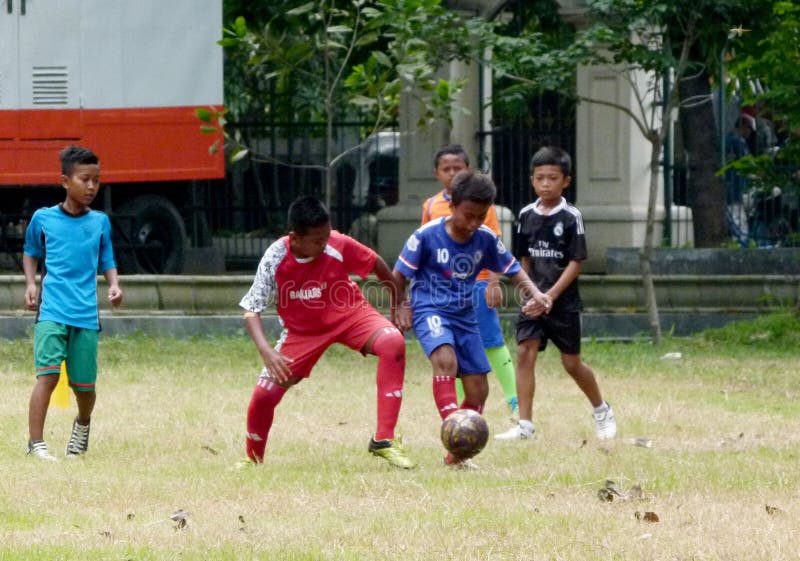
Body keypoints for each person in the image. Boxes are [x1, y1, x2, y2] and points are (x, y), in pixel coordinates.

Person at [239, 196, 414, 469]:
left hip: (350, 313)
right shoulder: (275, 257)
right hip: (302, 332)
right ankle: (252, 460)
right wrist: (267, 351)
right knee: (264, 395)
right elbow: (251, 309)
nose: (325, 243)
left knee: (393, 341)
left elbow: (376, 262)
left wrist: (398, 302)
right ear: (294, 238)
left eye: (327, 236)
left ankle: (384, 440)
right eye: (317, 240)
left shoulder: (336, 243)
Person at [394, 170, 550, 469]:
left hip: (465, 316)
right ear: (452, 206)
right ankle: (453, 429)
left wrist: (535, 294)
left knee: (479, 389)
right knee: (445, 360)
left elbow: (513, 268)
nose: (475, 223)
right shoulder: (426, 236)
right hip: (430, 309)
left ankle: (456, 455)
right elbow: (399, 274)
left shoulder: (485, 238)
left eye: (481, 216)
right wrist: (401, 305)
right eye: (469, 215)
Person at [495, 146, 617, 442]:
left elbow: (576, 262)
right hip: (532, 300)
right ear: (532, 180)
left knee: (571, 363)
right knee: (525, 353)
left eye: (553, 178)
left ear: (566, 181)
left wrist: (549, 296)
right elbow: (524, 258)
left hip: (562, 302)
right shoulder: (525, 215)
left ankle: (602, 410)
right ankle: (525, 425)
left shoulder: (572, 216)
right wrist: (530, 292)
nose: (546, 183)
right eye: (540, 178)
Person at [22, 145, 123, 461]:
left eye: (96, 180)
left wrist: (114, 284)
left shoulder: (100, 222)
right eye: (84, 179)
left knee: (84, 386)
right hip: (52, 311)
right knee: (48, 375)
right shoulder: (43, 219)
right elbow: (30, 253)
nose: (91, 186)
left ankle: (82, 423)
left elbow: (106, 257)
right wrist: (29, 284)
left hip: (86, 316)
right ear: (65, 181)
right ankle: (35, 443)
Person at [421, 145, 520, 418]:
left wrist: (492, 282)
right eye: (446, 169)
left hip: (476, 284)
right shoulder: (431, 206)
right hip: (442, 292)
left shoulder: (479, 203)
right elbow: (424, 249)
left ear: (468, 170)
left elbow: (495, 246)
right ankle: (464, 413)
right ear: (437, 173)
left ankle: (515, 399)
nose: (452, 173)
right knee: (453, 351)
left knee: (491, 340)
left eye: (458, 168)